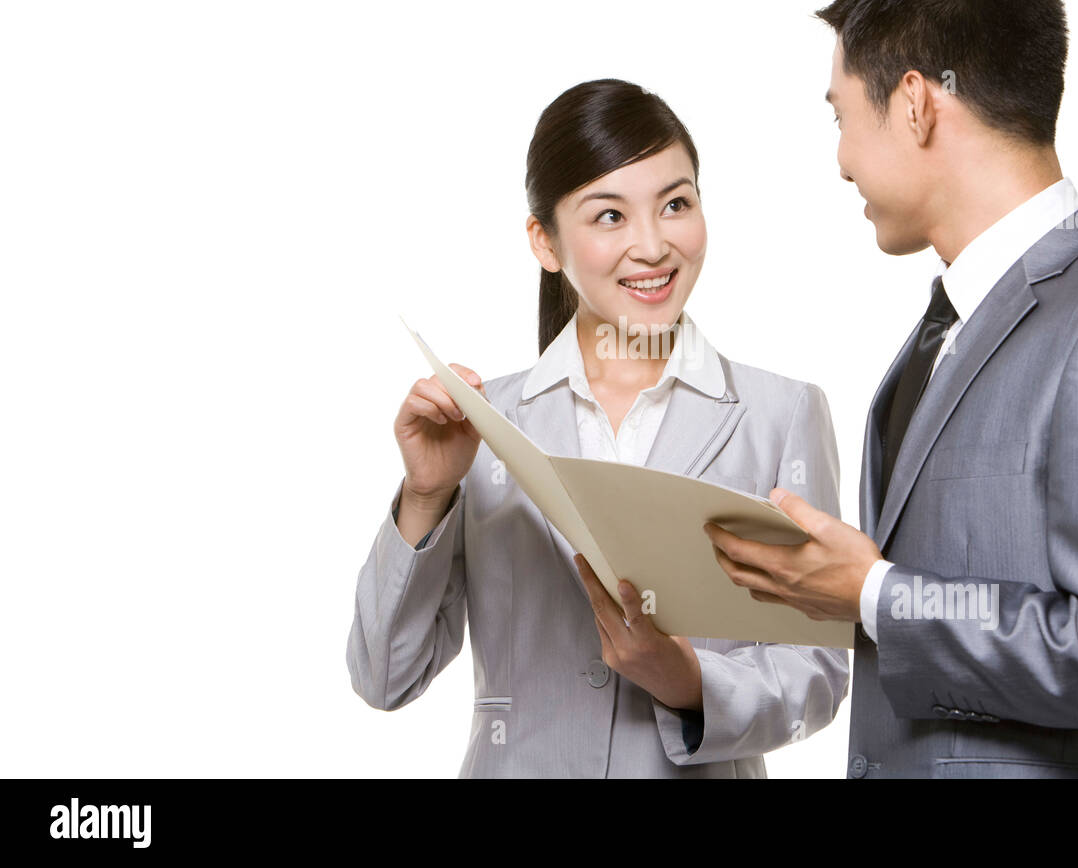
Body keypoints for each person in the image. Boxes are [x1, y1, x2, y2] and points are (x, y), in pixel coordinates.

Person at [707, 0, 1078, 778]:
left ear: (916, 103)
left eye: (841, 117)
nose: (840, 160)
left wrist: (877, 595)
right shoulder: (939, 328)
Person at [346, 78, 850, 777]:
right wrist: (427, 496)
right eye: (608, 216)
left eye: (676, 204)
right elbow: (383, 677)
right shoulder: (487, 424)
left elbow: (818, 670)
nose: (651, 246)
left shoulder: (780, 414)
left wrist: (689, 683)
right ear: (544, 242)